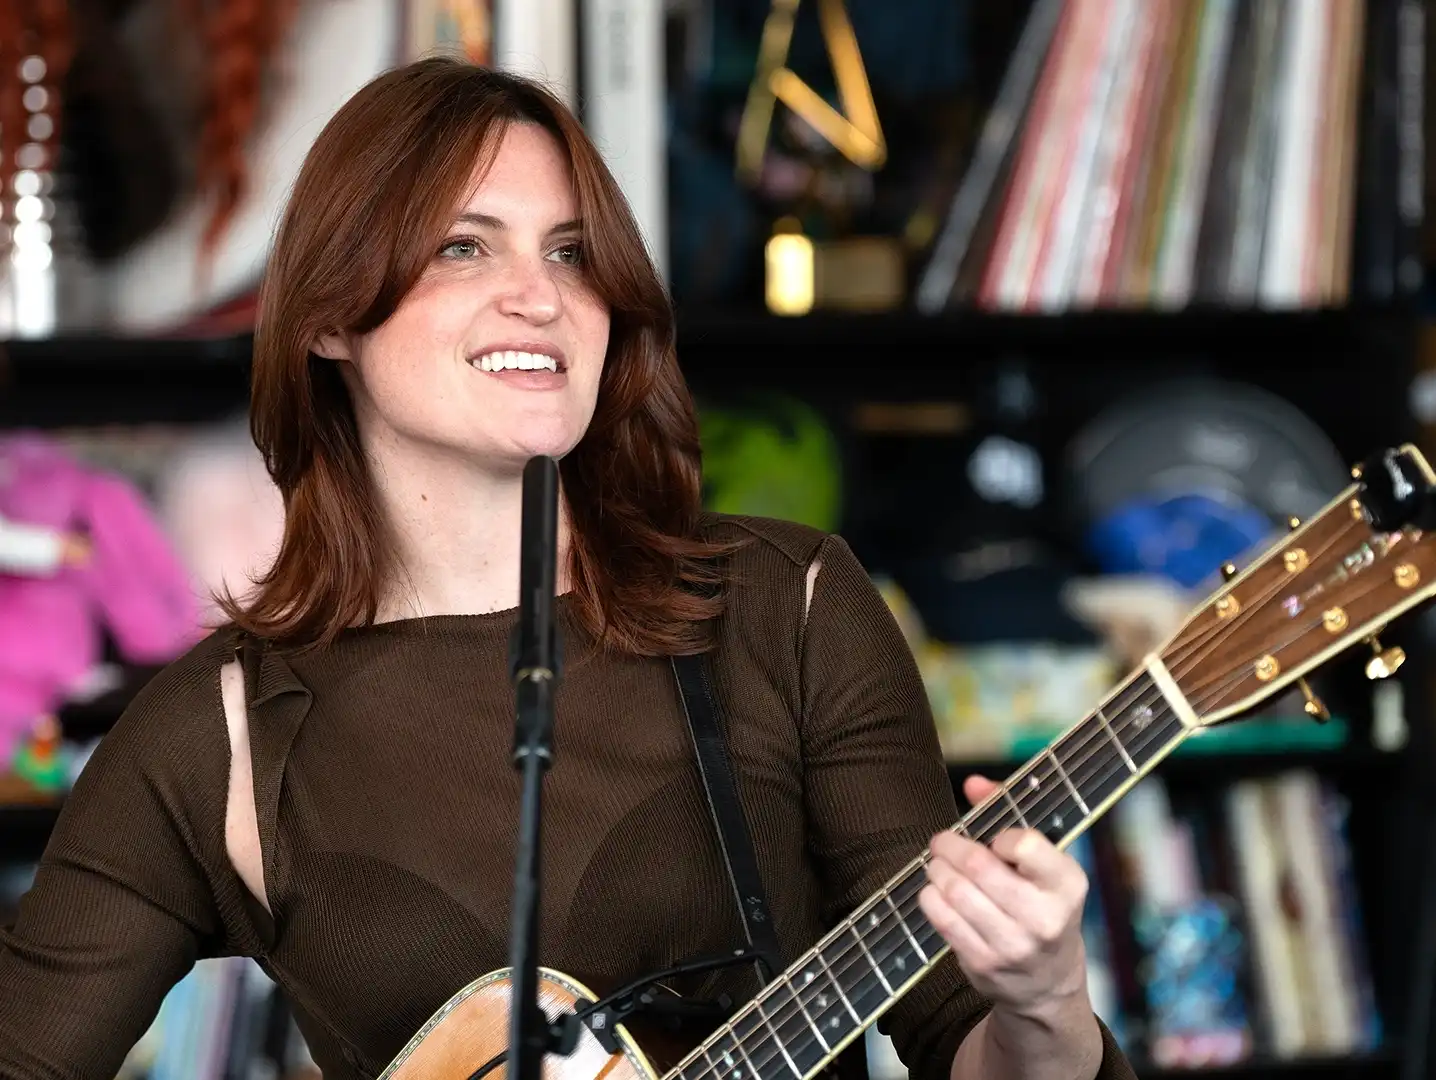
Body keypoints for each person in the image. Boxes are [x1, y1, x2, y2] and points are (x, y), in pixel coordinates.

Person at [0, 57, 1136, 1080]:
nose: (540, 296)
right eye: (462, 246)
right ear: (331, 317)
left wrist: (1041, 1005)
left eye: (570, 252)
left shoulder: (785, 609)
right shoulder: (223, 734)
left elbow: (963, 1045)